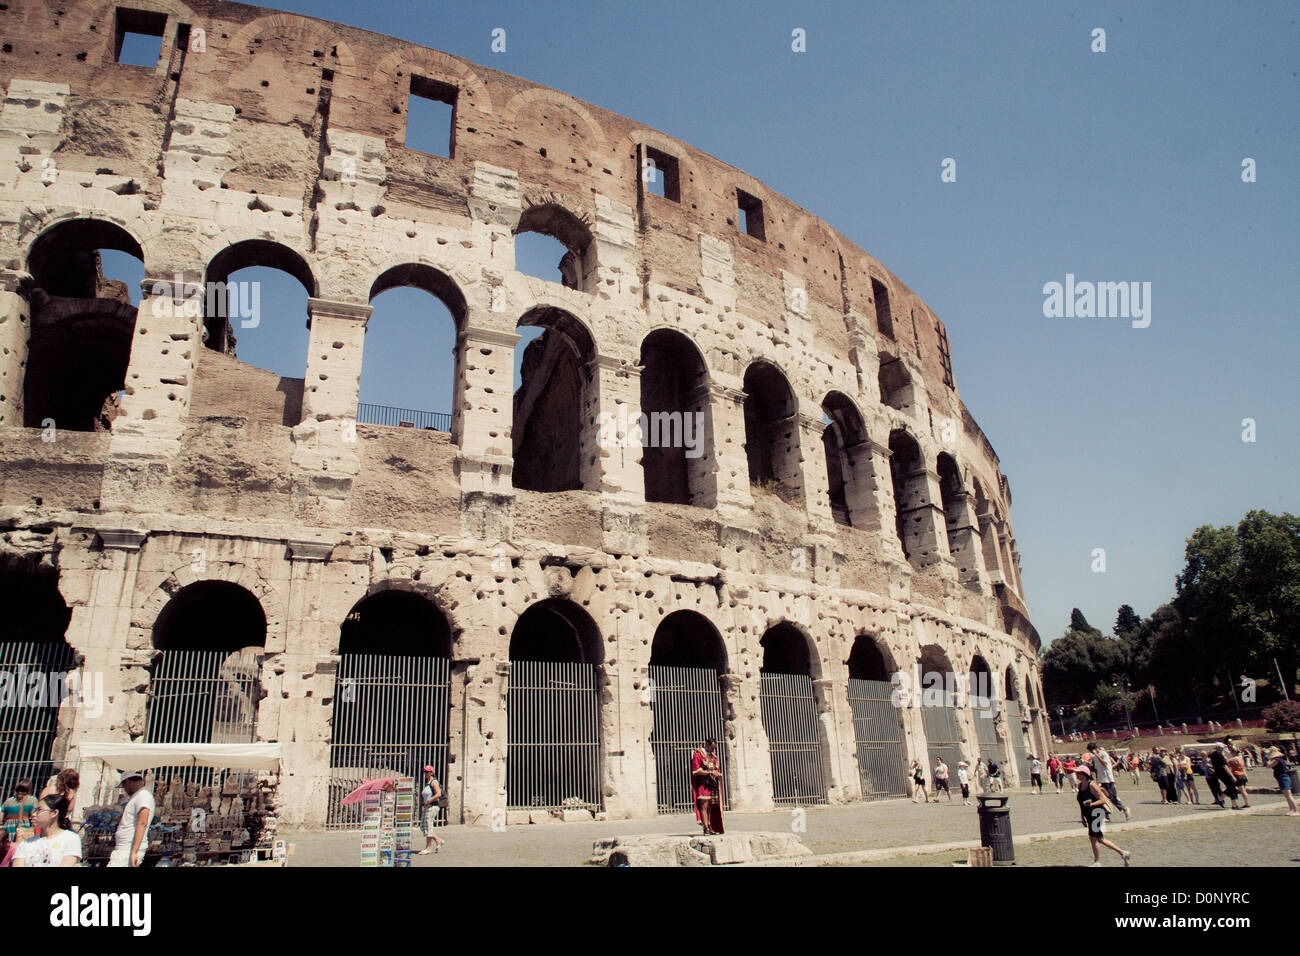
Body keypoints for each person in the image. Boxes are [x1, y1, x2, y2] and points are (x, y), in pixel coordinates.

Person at [1075, 764, 1130, 866]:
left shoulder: (1092, 785)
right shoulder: (1080, 786)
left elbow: (1103, 800)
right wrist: (1082, 816)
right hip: (1088, 814)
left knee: (1093, 837)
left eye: (1078, 773)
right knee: (1099, 839)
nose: (1076, 775)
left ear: (1084, 774)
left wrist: (1091, 804)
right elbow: (1081, 803)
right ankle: (1123, 853)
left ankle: (1097, 862)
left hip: (1097, 813)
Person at [11, 794, 80, 867]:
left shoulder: (71, 839)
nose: (33, 814)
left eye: (39, 810)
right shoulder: (25, 844)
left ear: (54, 813)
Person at [108, 771, 155, 867]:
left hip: (128, 849)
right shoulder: (138, 795)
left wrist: (134, 852)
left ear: (128, 782)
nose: (124, 790)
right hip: (125, 849)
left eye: (124, 786)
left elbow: (142, 822)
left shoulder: (143, 795)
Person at [1087, 742, 1130, 820]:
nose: (1091, 753)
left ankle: (1124, 808)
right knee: (1099, 796)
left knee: (1111, 797)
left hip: (1107, 779)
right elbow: (1097, 768)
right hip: (1100, 779)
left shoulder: (1103, 754)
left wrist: (1097, 755)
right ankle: (1105, 815)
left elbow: (1105, 764)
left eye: (1091, 751)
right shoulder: (1094, 757)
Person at [691, 738, 724, 834]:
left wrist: (717, 773)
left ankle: (710, 826)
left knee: (711, 806)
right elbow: (696, 770)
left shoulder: (713, 755)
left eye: (714, 748)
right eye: (712, 748)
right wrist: (709, 772)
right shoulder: (698, 754)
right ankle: (705, 828)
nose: (713, 750)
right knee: (704, 806)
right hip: (703, 784)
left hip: (712, 784)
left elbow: (716, 767)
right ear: (707, 745)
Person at [38, 768, 80, 834]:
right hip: (60, 822)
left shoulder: (48, 790)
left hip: (45, 820)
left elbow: (40, 805)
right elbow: (70, 809)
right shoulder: (72, 794)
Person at [418, 765, 445, 855]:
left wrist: (429, 800)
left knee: (428, 825)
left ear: (431, 772)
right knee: (423, 826)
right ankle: (438, 840)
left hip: (432, 806)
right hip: (427, 807)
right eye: (425, 771)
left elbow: (438, 794)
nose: (425, 773)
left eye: (427, 771)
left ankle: (428, 848)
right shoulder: (427, 782)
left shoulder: (434, 782)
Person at [1266, 746, 1299, 816]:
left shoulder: (1276, 760)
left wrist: (1268, 759)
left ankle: (1296, 810)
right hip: (1282, 778)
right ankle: (1291, 809)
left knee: (1289, 795)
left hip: (1283, 778)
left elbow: (1268, 765)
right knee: (1287, 796)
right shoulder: (1280, 759)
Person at [1209, 742, 1242, 810]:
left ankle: (1221, 798)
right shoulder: (1219, 754)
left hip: (1218, 773)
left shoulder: (1212, 754)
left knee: (1230, 786)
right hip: (1224, 773)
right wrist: (1231, 775)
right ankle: (1234, 805)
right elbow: (1224, 766)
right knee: (1232, 786)